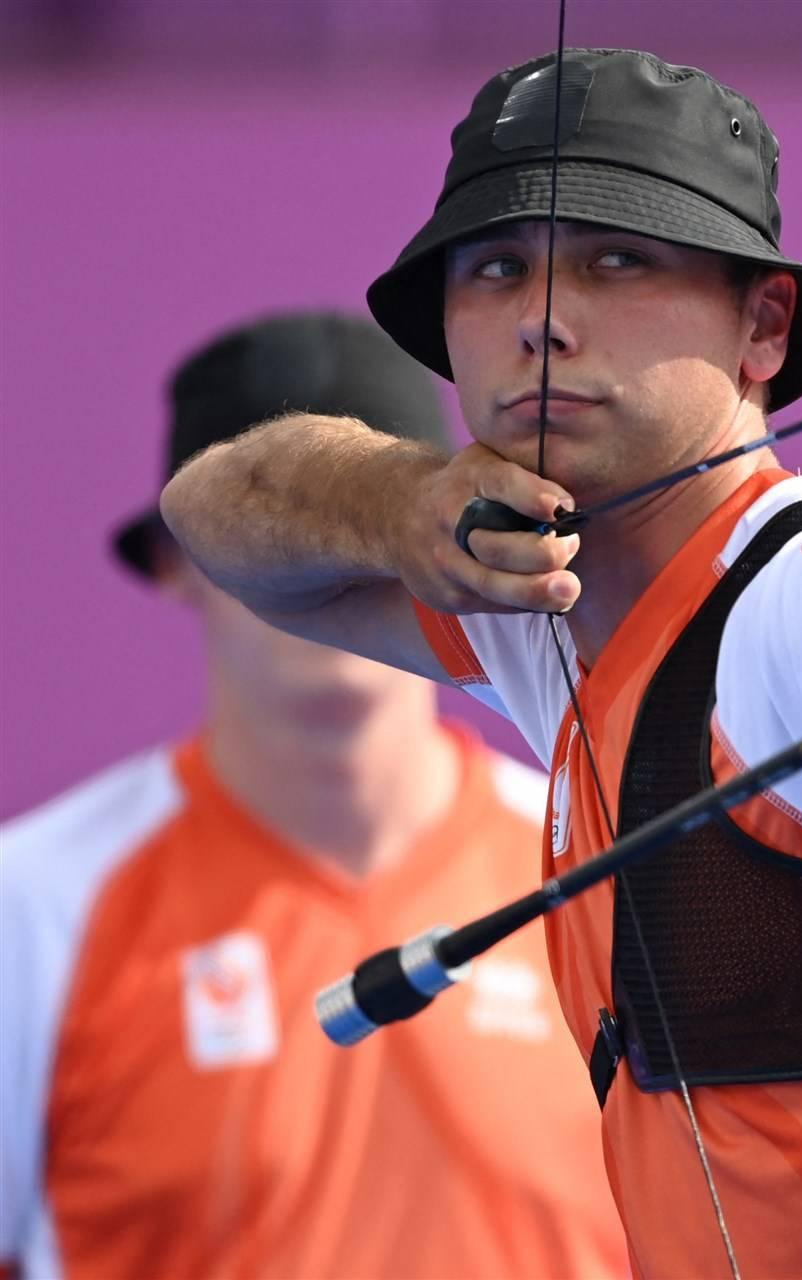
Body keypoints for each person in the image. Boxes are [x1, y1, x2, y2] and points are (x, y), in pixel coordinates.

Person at [159, 49, 802, 1278]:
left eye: (620, 259)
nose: (541, 317)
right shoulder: (537, 603)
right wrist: (398, 496)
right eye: (497, 267)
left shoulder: (792, 599)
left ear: (763, 325)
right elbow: (218, 507)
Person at [0, 312, 627, 1278]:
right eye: (273, 546)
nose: (321, 587)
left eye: (357, 536)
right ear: (181, 561)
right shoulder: (32, 907)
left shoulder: (603, 857)